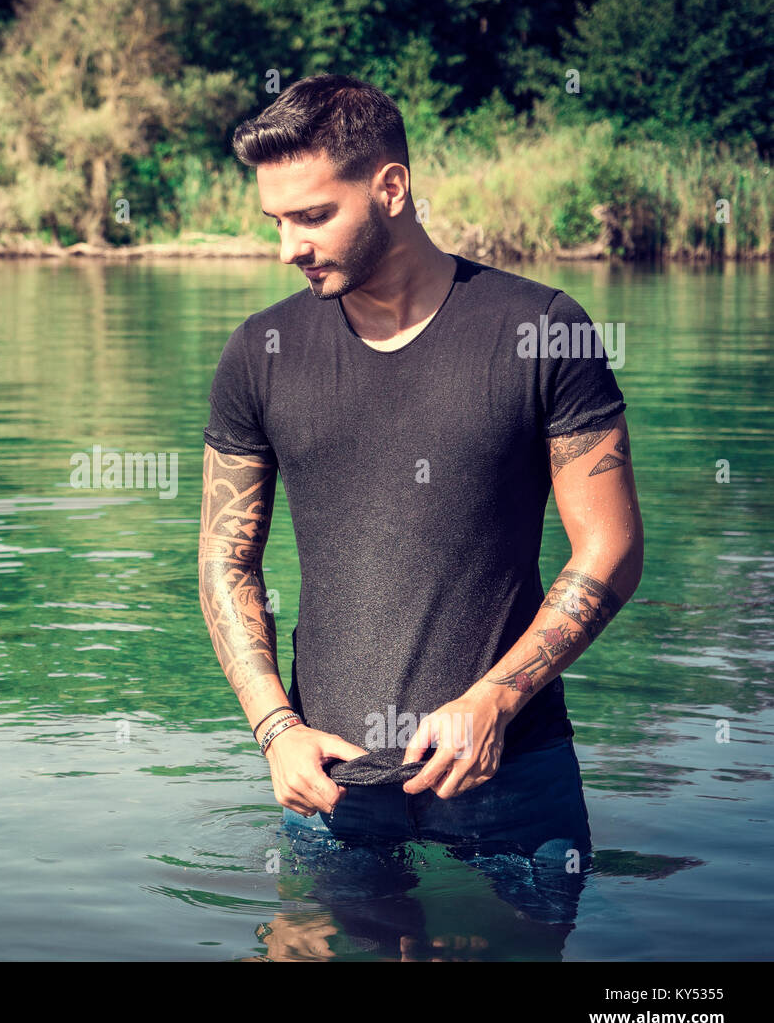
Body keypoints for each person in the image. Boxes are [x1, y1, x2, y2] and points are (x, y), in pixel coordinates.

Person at [197, 74, 644, 937]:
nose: (289, 244)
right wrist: (273, 727)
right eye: (275, 221)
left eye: (313, 215)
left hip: (514, 785)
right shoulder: (260, 352)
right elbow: (225, 558)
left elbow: (612, 550)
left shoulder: (543, 329)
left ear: (391, 187)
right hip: (329, 791)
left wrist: (494, 701)